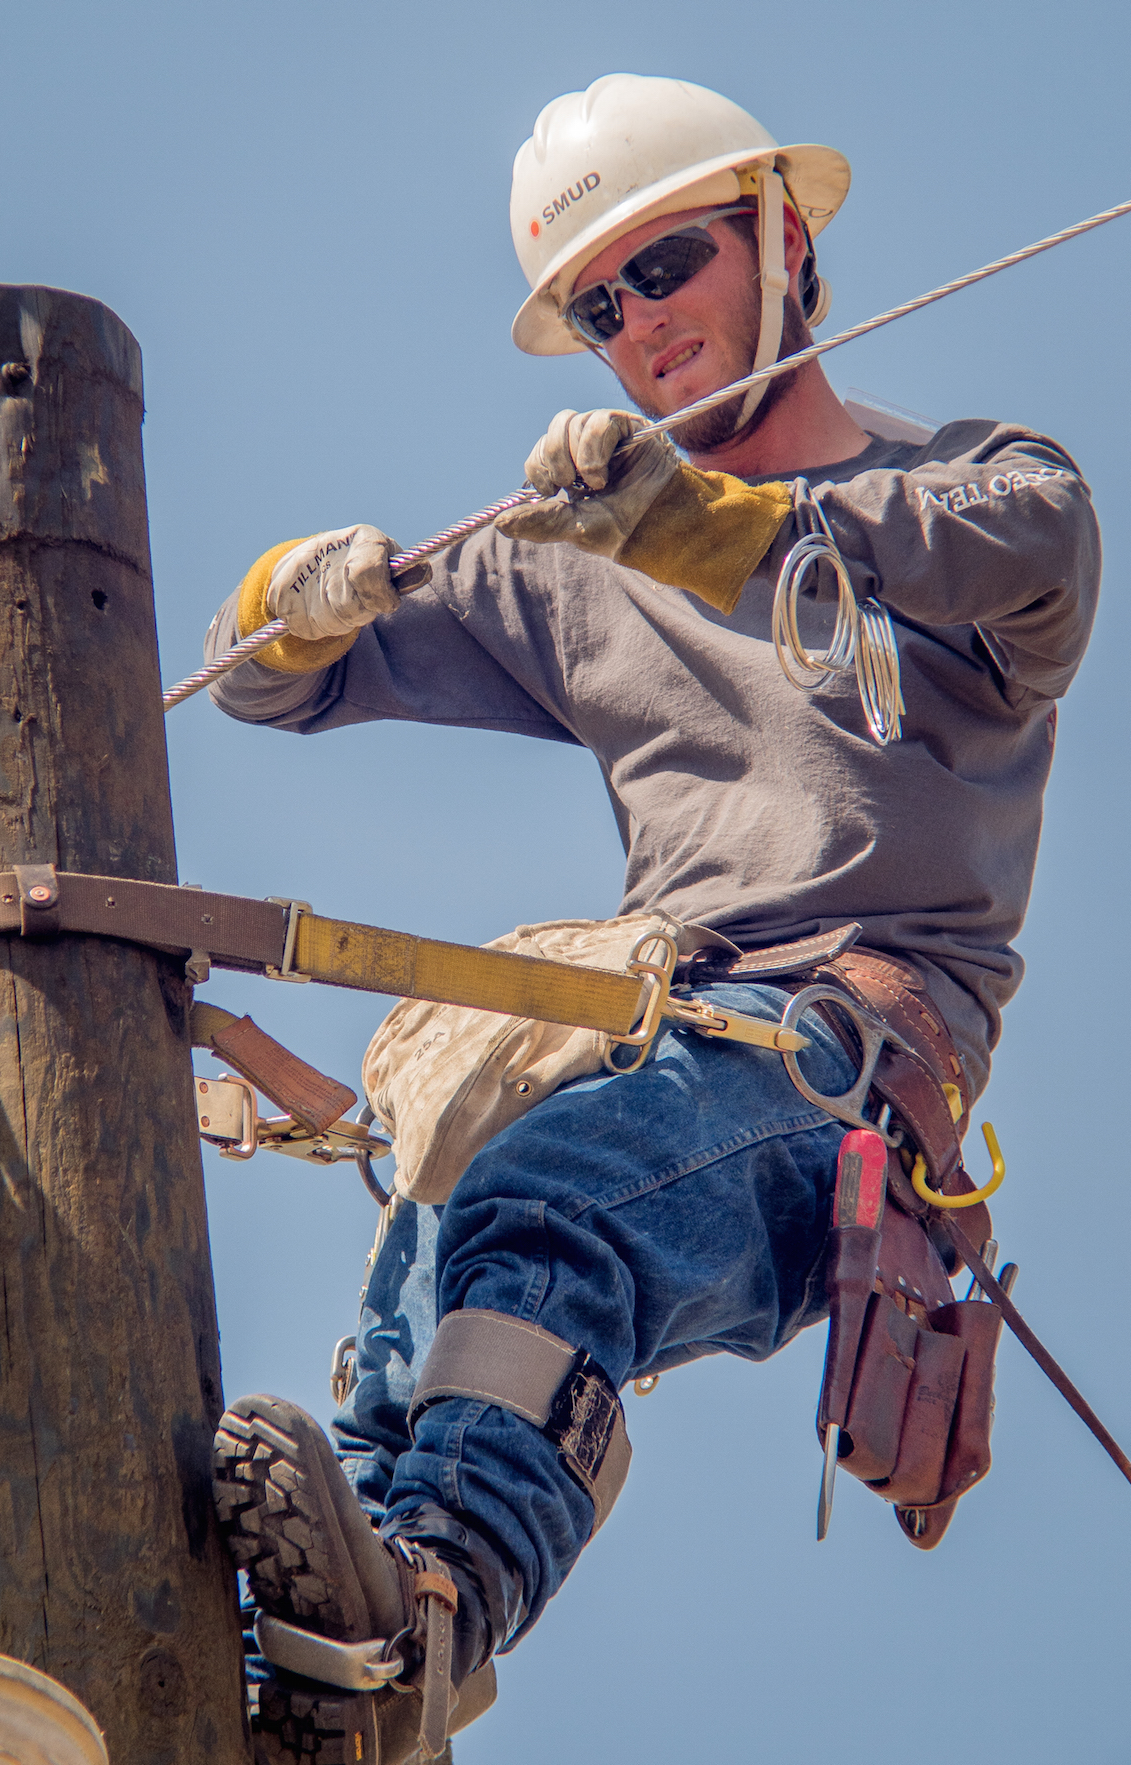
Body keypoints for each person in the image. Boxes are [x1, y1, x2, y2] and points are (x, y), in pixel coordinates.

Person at [205, 74, 1100, 1764]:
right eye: (600, 309)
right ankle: (333, 1653)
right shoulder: (571, 563)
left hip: (836, 1058)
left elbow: (1003, 549)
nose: (642, 326)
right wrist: (289, 606)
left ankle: (432, 1614)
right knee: (439, 1262)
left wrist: (693, 530)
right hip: (653, 1032)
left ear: (784, 234)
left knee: (558, 1192)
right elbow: (270, 692)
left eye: (667, 266)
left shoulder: (991, 494)